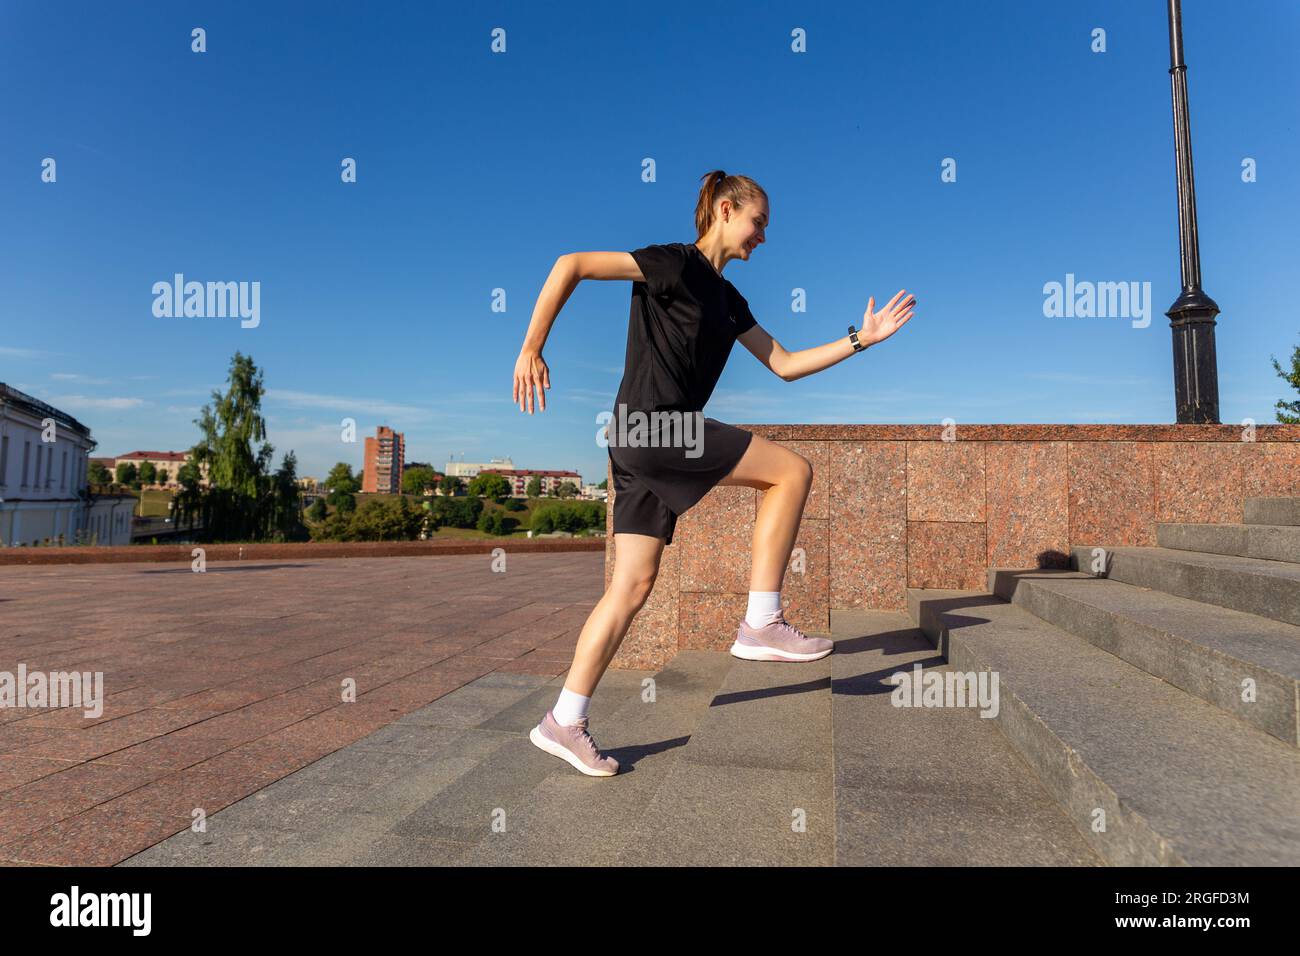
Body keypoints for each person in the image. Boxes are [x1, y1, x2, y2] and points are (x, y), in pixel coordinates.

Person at [511, 170, 917, 776]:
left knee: (633, 584)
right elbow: (570, 264)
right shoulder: (673, 263)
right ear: (726, 210)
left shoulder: (729, 301)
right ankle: (761, 621)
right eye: (759, 223)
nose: (763, 238)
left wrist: (861, 338)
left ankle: (563, 721)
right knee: (792, 471)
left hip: (635, 445)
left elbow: (783, 363)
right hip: (652, 428)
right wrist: (531, 346)